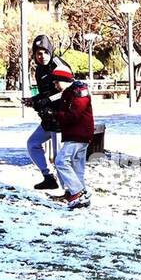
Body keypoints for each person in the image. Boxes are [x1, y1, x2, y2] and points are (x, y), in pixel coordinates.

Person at [21, 34, 74, 192]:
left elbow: (70, 89)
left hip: (62, 118)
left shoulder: (58, 65)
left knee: (60, 159)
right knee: (32, 144)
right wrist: (34, 99)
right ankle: (49, 178)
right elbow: (46, 94)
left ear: (50, 51)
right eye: (38, 53)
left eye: (45, 52)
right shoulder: (39, 69)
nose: (42, 56)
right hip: (48, 119)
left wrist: (46, 101)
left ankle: (70, 192)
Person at [50, 78, 94, 210]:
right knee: (77, 167)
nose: (56, 85)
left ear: (64, 79)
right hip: (79, 134)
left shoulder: (78, 91)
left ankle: (78, 192)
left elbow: (74, 114)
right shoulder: (71, 91)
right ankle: (80, 198)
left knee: (61, 161)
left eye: (57, 82)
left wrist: (56, 115)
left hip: (78, 135)